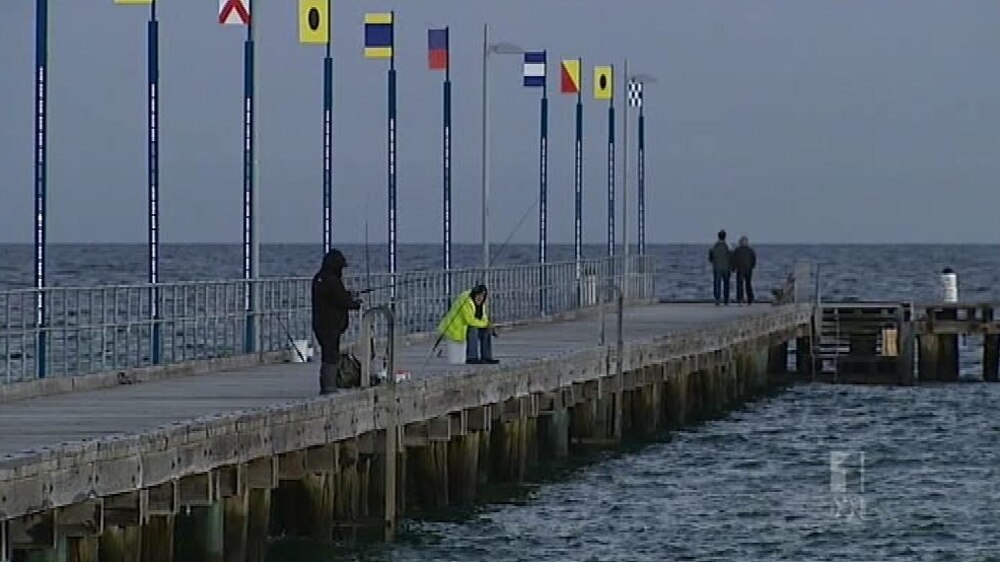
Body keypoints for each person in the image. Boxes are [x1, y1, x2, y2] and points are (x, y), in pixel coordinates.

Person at [311, 248, 362, 394]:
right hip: (330, 324)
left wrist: (348, 295)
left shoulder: (319, 278)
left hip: (320, 323)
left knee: (329, 352)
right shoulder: (332, 280)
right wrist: (355, 303)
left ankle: (327, 385)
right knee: (331, 353)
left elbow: (334, 297)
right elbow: (341, 300)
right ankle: (328, 387)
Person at [437, 284, 498, 364]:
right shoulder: (465, 301)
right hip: (456, 329)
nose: (480, 298)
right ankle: (472, 357)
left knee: (486, 330)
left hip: (466, 327)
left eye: (482, 296)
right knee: (473, 329)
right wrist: (485, 324)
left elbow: (483, 316)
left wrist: (488, 325)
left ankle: (487, 357)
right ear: (474, 295)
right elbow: (469, 321)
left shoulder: (481, 303)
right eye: (478, 295)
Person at [708, 230, 732, 305]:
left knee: (717, 283)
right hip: (726, 268)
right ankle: (726, 299)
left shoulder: (715, 246)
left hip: (717, 267)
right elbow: (731, 257)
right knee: (726, 284)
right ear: (725, 237)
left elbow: (711, 258)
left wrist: (714, 263)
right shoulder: (728, 246)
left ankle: (717, 298)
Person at [732, 236, 757, 305]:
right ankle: (750, 299)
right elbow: (754, 260)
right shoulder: (750, 250)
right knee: (748, 284)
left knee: (740, 284)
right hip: (748, 269)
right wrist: (752, 266)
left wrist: (733, 268)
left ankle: (740, 299)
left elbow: (734, 260)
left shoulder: (737, 250)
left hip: (740, 269)